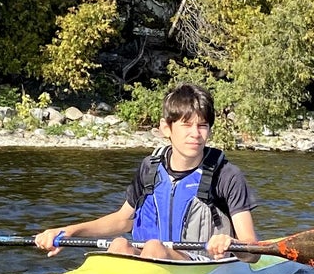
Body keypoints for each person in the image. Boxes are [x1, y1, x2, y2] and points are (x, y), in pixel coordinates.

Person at [35, 82, 257, 261]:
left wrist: (232, 244)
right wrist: (69, 231)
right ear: (165, 128)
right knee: (120, 244)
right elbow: (123, 221)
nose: (195, 134)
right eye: (186, 125)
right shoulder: (149, 168)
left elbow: (252, 251)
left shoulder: (227, 175)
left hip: (200, 264)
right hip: (150, 257)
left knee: (154, 248)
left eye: (202, 126)